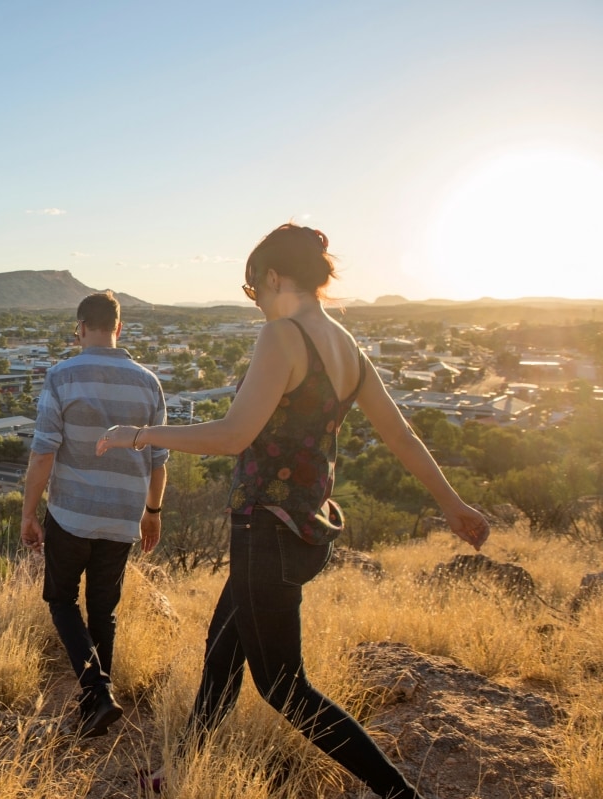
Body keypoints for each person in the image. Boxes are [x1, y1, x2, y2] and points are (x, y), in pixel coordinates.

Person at [97, 224, 489, 798]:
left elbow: (232, 435)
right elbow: (401, 436)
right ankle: (174, 775)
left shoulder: (282, 336)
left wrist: (140, 434)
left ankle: (399, 794)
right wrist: (452, 504)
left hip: (266, 530)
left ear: (274, 278)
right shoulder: (346, 346)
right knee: (222, 652)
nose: (255, 301)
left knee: (284, 687)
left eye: (254, 289)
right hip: (305, 527)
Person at [21, 290, 170, 738]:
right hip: (123, 518)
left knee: (62, 601)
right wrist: (153, 512)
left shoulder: (61, 376)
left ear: (81, 328)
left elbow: (43, 453)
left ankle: (98, 692)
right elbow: (159, 460)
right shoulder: (148, 383)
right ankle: (96, 707)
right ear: (119, 328)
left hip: (70, 515)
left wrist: (29, 513)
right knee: (103, 611)